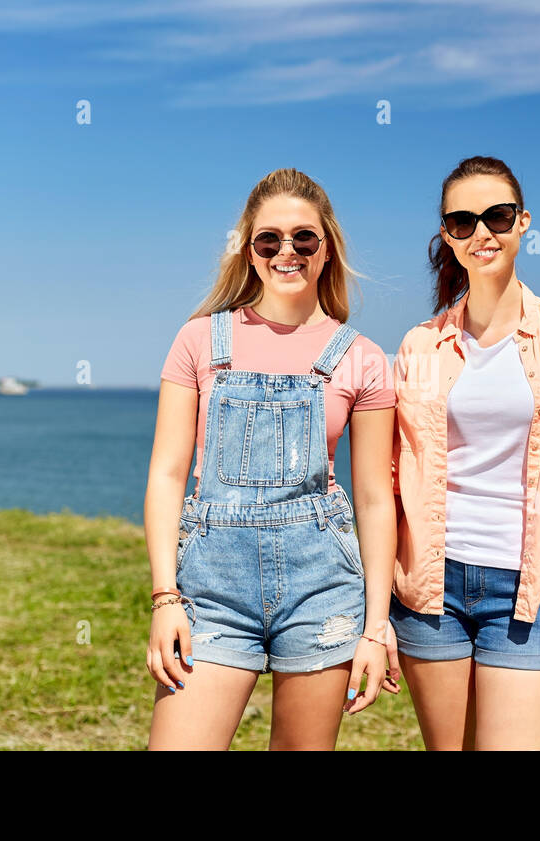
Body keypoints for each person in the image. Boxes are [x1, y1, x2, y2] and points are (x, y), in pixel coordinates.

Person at [145, 168, 398, 750]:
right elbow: (165, 475)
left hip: (323, 590)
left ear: (326, 247)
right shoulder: (199, 341)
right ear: (250, 250)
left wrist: (375, 628)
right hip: (210, 593)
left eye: (303, 238)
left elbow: (374, 498)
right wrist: (165, 598)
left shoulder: (360, 358)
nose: (288, 251)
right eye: (270, 240)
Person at [390, 155, 540, 749]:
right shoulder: (419, 345)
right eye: (461, 221)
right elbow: (388, 484)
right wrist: (373, 622)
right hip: (429, 589)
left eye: (497, 216)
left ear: (523, 223)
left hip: (530, 595)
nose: (480, 232)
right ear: (447, 234)